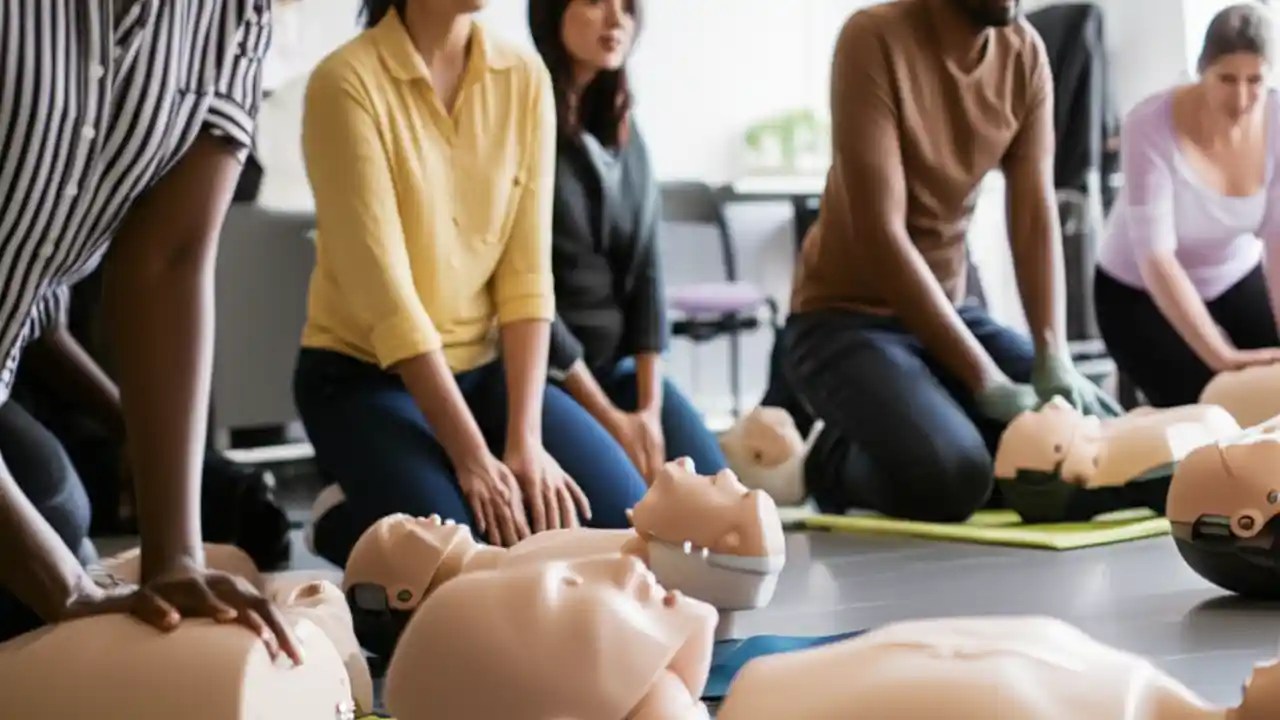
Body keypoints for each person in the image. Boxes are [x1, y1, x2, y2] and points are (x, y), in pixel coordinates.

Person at [296, 0, 649, 567]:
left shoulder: (524, 76)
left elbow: (527, 278)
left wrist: (524, 441)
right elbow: (390, 302)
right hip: (366, 377)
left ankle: (411, 494)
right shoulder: (344, 83)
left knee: (632, 538)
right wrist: (472, 458)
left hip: (486, 373)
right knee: (467, 569)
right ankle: (347, 521)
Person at [0, 0, 302, 662]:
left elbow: (169, 260)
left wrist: (175, 557)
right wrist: (62, 584)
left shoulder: (233, 16)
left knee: (61, 521)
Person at [785, 0, 1119, 522]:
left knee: (1091, 445)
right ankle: (831, 461)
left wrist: (1052, 356)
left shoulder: (1024, 52)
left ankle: (931, 418)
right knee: (958, 475)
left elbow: (1033, 210)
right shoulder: (872, 38)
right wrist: (985, 379)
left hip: (950, 312)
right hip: (842, 324)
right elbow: (881, 233)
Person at [526, 0, 729, 482]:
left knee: (721, 495)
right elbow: (520, 289)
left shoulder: (626, 133)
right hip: (552, 376)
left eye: (627, 7)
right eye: (596, 2)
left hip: (617, 370)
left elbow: (647, 277)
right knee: (631, 512)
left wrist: (648, 410)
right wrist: (607, 417)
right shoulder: (526, 123)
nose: (617, 20)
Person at [1095, 4, 1280, 408]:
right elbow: (1157, 258)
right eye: (1227, 79)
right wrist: (1222, 357)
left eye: (1255, 80)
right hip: (1137, 290)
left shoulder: (1277, 119)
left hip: (1232, 274)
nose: (1243, 97)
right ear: (1202, 70)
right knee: (1215, 405)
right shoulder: (1148, 125)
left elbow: (1278, 243)